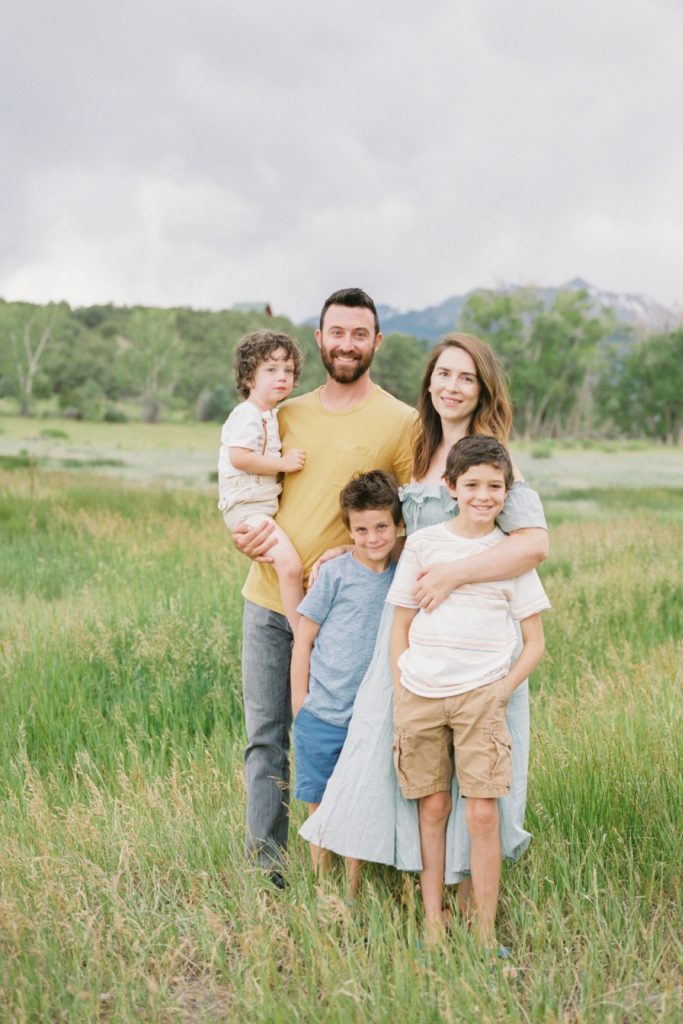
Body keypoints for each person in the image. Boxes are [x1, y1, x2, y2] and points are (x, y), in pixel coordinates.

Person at [300, 333, 548, 915]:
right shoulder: (422, 452)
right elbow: (427, 536)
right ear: (429, 382)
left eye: (466, 377)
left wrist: (455, 578)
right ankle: (402, 877)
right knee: (389, 752)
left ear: (483, 389)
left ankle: (471, 897)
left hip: (479, 643)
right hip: (416, 639)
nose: (451, 387)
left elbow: (533, 546)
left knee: (477, 779)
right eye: (443, 375)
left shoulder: (493, 461)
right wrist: (355, 552)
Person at [232, 288, 417, 886]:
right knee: (266, 739)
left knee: (347, 733)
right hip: (267, 599)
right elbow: (246, 483)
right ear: (319, 338)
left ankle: (346, 865)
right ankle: (270, 872)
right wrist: (238, 532)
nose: (346, 344)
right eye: (336, 333)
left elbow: (410, 517)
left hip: (346, 616)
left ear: (376, 342)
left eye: (359, 334)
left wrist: (359, 546)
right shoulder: (285, 410)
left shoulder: (400, 422)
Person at [388, 435, 550, 948]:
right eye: (473, 484)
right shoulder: (425, 543)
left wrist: (499, 691)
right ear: (451, 487)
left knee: (482, 812)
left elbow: (535, 643)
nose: (484, 495)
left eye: (496, 486)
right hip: (421, 692)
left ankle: (483, 932)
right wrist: (402, 682)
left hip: (482, 695)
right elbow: (400, 623)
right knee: (432, 806)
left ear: (508, 492)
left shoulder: (509, 556)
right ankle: (433, 922)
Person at [291, 471, 402, 900]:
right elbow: (304, 639)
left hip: (370, 718)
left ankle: (353, 890)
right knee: (319, 801)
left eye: (381, 527)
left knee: (355, 800)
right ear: (349, 529)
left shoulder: (400, 574)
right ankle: (323, 888)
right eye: (361, 529)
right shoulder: (334, 574)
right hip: (322, 713)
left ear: (397, 526)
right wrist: (301, 704)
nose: (372, 538)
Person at [218, 330, 306, 634]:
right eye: (271, 369)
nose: (282, 376)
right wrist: (283, 464)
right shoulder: (247, 414)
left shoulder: (270, 414)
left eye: (289, 370)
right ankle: (301, 634)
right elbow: (239, 457)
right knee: (291, 567)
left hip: (259, 507)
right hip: (247, 509)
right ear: (248, 379)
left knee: (290, 564)